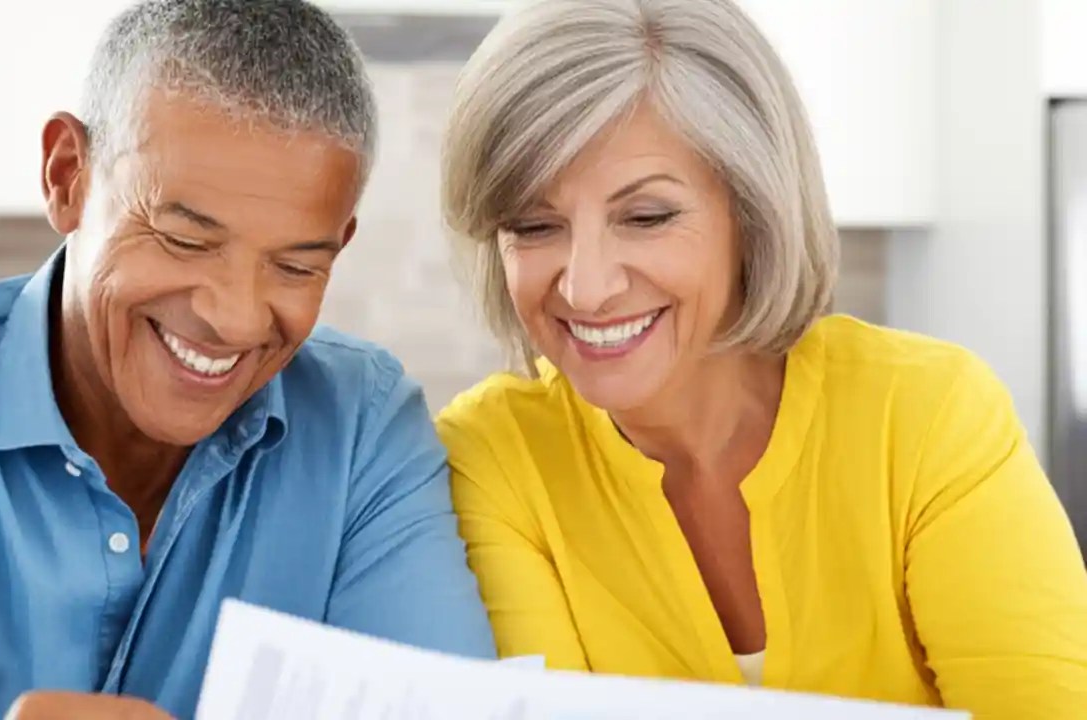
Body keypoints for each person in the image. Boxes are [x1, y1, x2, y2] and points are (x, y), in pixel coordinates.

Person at [0, 1, 496, 718]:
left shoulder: (362, 433)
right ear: (67, 175)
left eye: (294, 266)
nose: (233, 317)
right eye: (185, 240)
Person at [436, 0, 1087, 717]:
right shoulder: (494, 457)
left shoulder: (927, 417)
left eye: (647, 217)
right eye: (533, 226)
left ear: (752, 213)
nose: (586, 287)